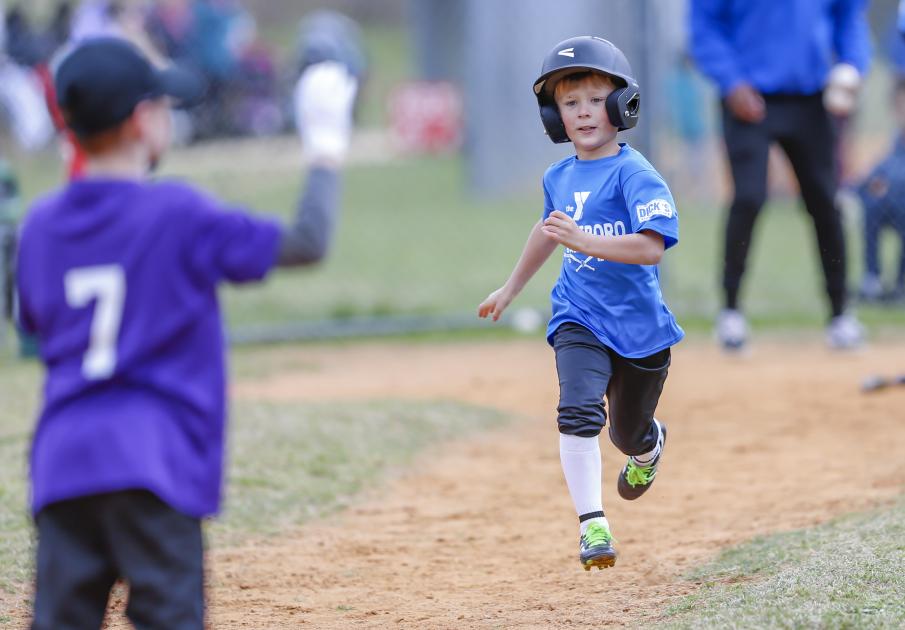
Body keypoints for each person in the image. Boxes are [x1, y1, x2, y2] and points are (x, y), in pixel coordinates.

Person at [17, 37, 356, 629]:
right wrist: (325, 150)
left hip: (64, 466)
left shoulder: (41, 225)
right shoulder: (175, 212)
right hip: (155, 464)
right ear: (141, 122)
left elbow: (31, 320)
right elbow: (308, 242)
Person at [478, 36, 683, 571]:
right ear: (554, 116)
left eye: (595, 99)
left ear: (622, 106)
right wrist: (510, 288)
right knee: (577, 412)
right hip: (579, 313)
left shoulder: (636, 174)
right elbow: (550, 231)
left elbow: (650, 248)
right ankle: (592, 526)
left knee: (626, 432)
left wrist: (585, 240)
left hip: (640, 328)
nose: (584, 112)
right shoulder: (558, 176)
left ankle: (648, 445)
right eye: (570, 103)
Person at [690, 0, 872, 351]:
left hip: (811, 98)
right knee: (748, 197)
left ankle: (840, 315)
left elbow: (849, 16)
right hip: (747, 95)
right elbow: (705, 28)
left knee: (824, 201)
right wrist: (731, 82)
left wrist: (852, 63)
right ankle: (730, 313)